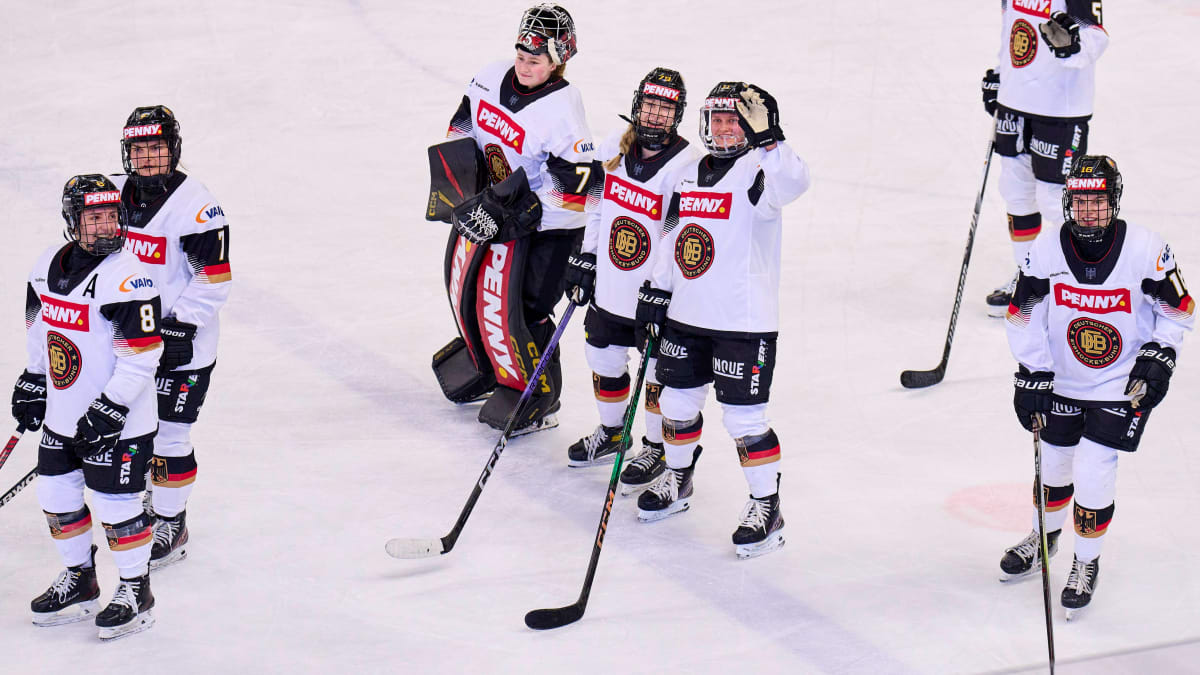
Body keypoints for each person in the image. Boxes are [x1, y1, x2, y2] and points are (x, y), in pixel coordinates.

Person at [1003, 155, 1193, 618]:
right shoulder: (1046, 249)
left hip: (1121, 385)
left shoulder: (1145, 248)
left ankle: (1086, 562)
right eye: (1081, 201)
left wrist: (1159, 354)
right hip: (1063, 380)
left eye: (1098, 201)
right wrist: (1033, 370)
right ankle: (1043, 538)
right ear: (1069, 202)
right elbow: (1022, 312)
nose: (1089, 211)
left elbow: (1178, 309)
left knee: (1092, 468)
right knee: (1053, 466)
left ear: (1114, 200)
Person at [633, 82, 811, 559]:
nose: (725, 128)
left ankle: (766, 506)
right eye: (718, 119)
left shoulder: (760, 170)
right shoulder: (688, 172)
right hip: (686, 315)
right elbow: (672, 234)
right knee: (675, 403)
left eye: (735, 119)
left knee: (744, 419)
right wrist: (656, 290)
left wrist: (770, 139)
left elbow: (795, 183)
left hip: (742, 323)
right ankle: (678, 477)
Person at [430, 4, 597, 436]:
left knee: (526, 308)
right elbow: (463, 124)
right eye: (521, 56)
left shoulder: (564, 110)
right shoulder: (490, 75)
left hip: (550, 231)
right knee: (471, 287)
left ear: (557, 61)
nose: (524, 66)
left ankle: (541, 396)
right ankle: (488, 364)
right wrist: (463, 185)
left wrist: (518, 211)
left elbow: (577, 190)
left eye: (535, 61)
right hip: (496, 208)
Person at [13, 174, 163, 639]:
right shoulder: (46, 265)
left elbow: (143, 355)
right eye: (93, 217)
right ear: (73, 220)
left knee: (117, 505)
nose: (106, 226)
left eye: (112, 215)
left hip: (121, 421)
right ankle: (80, 580)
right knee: (56, 496)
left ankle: (136, 591)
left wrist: (111, 407)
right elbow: (40, 329)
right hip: (63, 414)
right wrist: (35, 378)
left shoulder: (130, 276)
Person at [561, 67, 696, 494]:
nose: (656, 115)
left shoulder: (687, 165)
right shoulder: (613, 148)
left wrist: (660, 287)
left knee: (655, 376)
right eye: (650, 104)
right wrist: (585, 256)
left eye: (665, 108)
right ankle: (613, 432)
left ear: (678, 115)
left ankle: (655, 448)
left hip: (653, 295)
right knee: (601, 357)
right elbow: (597, 207)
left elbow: (676, 235)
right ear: (638, 104)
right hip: (611, 286)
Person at [112, 105, 233, 569]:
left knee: (170, 434)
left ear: (173, 149)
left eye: (156, 147)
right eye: (139, 148)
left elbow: (212, 280)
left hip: (183, 347)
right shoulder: (112, 195)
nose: (147, 157)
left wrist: (178, 326)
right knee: (133, 429)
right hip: (127, 342)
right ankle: (150, 497)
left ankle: (171, 521)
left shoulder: (196, 206)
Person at [981, 0, 1108, 317]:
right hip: (1014, 100)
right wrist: (999, 73)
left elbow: (1096, 36)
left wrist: (1072, 46)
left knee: (1055, 199)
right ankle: (1028, 276)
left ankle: (1082, 283)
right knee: (1016, 192)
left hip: (1060, 108)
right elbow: (1010, 29)